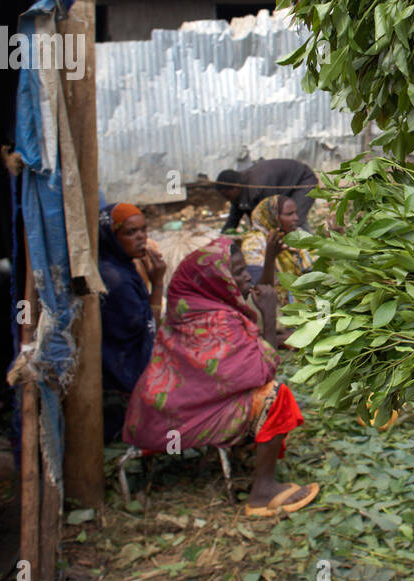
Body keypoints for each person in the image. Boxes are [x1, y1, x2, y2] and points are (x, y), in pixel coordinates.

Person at [122, 239, 318, 516]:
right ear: (217, 279)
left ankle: (244, 453)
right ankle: (262, 492)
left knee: (258, 392)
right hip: (169, 424)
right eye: (236, 272)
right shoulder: (216, 321)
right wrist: (270, 317)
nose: (245, 276)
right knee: (274, 396)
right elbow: (262, 370)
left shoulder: (192, 307)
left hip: (154, 414)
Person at [98, 203, 165, 443]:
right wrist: (157, 284)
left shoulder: (121, 267)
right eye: (130, 232)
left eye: (143, 230)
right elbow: (148, 329)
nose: (141, 237)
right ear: (111, 236)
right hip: (124, 380)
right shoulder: (116, 281)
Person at [240, 195, 315, 306]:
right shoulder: (254, 243)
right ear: (272, 217)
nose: (296, 218)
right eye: (289, 214)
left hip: (301, 305)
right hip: (273, 308)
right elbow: (260, 288)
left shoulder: (297, 235)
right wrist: (270, 256)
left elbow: (315, 267)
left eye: (295, 213)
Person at [216, 159, 318, 233]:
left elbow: (269, 215)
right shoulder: (240, 189)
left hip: (303, 181)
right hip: (284, 185)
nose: (227, 200)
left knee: (292, 220)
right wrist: (223, 237)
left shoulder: (258, 188)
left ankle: (311, 251)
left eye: (227, 196)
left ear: (236, 188)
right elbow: (234, 217)